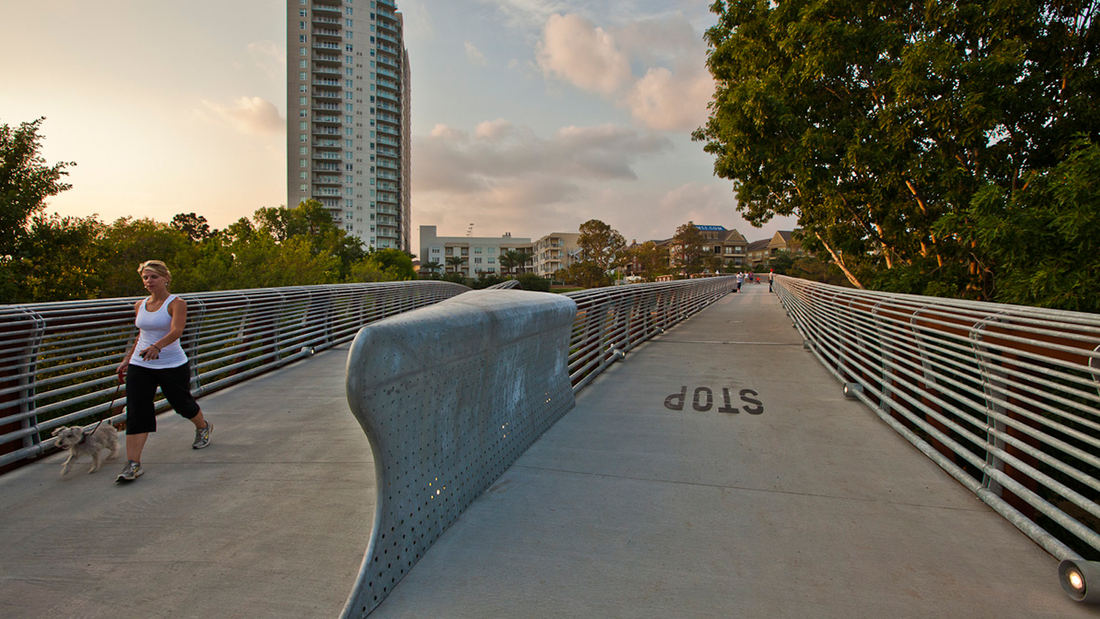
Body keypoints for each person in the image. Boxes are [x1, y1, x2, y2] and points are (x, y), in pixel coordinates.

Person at [115, 260, 212, 482]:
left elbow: (177, 330)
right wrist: (127, 359)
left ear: (165, 278)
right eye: (145, 278)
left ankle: (203, 426)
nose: (149, 281)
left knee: (181, 404)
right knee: (137, 411)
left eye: (154, 277)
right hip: (141, 364)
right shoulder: (139, 305)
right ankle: (133, 464)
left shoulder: (176, 303)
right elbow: (142, 334)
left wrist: (157, 346)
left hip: (171, 364)